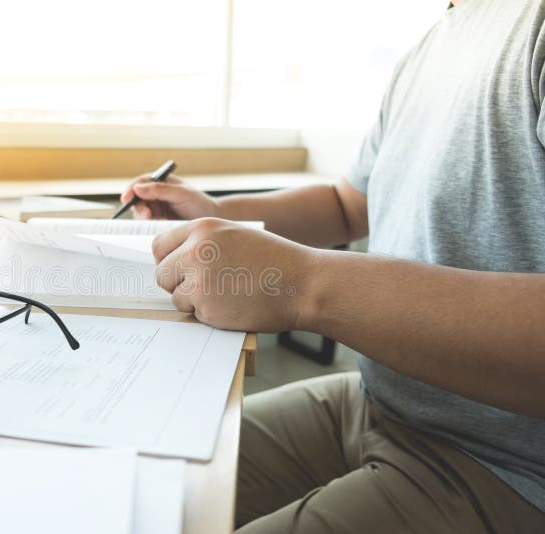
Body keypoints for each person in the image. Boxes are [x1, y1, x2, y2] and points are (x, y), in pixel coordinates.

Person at [120, 0, 545, 531]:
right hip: (376, 398)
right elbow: (348, 204)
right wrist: (222, 216)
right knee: (134, 486)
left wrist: (300, 286)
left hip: (504, 465)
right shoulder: (433, 45)